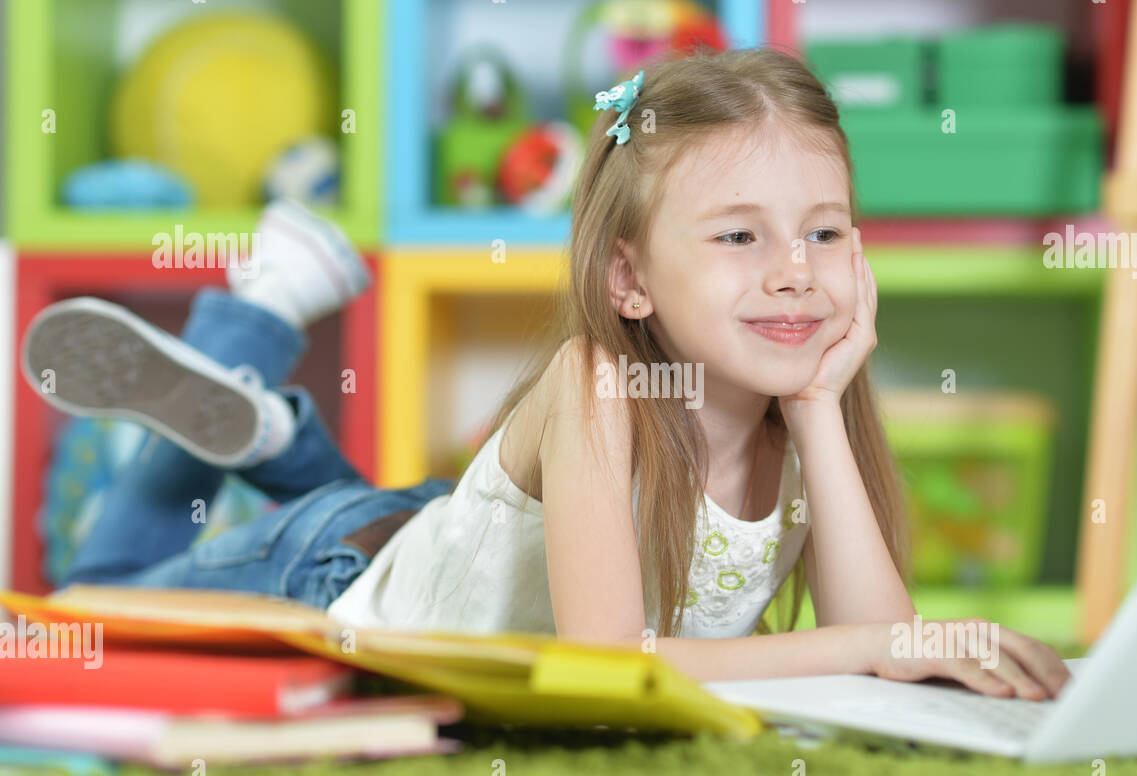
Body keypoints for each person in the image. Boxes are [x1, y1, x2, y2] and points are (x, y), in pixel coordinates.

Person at [22, 46, 1069, 695]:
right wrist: (875, 647)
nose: (796, 274)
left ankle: (273, 438)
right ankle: (256, 325)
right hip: (340, 575)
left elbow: (867, 635)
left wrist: (822, 410)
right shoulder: (595, 381)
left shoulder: (798, 414)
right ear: (629, 277)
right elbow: (610, 662)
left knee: (425, 520)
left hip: (450, 537)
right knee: (86, 607)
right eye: (740, 238)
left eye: (826, 232)